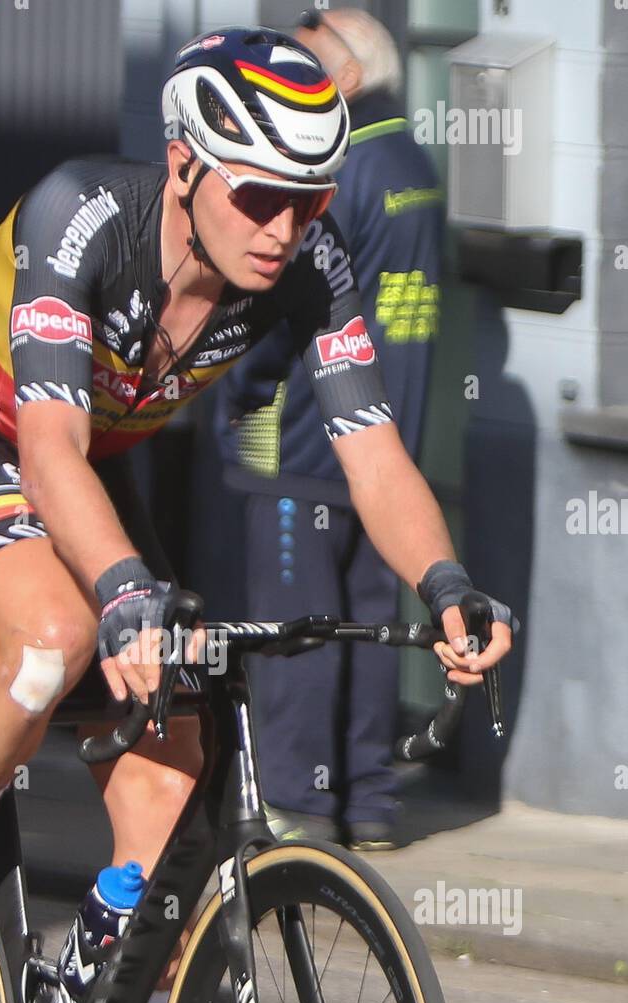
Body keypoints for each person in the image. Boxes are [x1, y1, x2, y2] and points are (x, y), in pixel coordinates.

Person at [0, 26, 513, 1003]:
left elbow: (372, 454)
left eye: (305, 198)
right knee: (52, 632)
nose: (282, 226)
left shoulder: (306, 263)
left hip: (88, 470)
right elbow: (44, 448)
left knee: (175, 782)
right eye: (257, 195)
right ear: (181, 170)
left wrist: (442, 584)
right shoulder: (78, 214)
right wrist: (117, 596)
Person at [216, 9, 444, 851]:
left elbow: (283, 308)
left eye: (307, 60)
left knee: (294, 635)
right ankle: (368, 801)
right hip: (388, 445)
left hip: (304, 445)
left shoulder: (338, 173)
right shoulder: (413, 163)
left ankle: (290, 804)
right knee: (369, 629)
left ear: (346, 77)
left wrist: (234, 389)